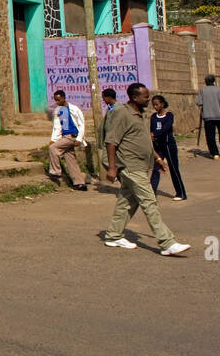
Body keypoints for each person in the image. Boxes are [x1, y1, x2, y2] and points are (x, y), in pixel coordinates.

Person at [102, 83, 189, 256]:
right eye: (145, 97)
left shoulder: (141, 115)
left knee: (127, 202)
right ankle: (167, 242)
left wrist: (157, 158)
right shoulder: (122, 113)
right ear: (134, 97)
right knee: (149, 202)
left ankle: (113, 235)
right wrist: (112, 168)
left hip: (141, 166)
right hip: (130, 166)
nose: (148, 100)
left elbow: (144, 141)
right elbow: (111, 141)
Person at [48, 90, 89, 191]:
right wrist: (54, 139)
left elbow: (81, 124)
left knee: (53, 148)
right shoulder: (58, 111)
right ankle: (79, 183)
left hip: (72, 136)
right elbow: (57, 126)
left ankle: (55, 172)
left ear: (63, 98)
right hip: (65, 136)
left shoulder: (74, 109)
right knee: (70, 159)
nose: (57, 102)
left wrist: (79, 138)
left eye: (58, 100)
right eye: (55, 100)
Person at [149, 94, 187, 201]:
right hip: (158, 147)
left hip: (168, 145)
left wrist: (154, 134)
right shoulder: (153, 117)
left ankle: (181, 193)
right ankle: (152, 193)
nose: (155, 107)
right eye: (153, 105)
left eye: (157, 104)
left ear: (162, 104)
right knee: (156, 168)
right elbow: (151, 130)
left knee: (174, 169)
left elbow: (166, 128)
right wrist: (151, 136)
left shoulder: (169, 115)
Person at [195, 74, 220, 159]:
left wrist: (206, 103)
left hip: (208, 117)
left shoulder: (203, 90)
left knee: (210, 135)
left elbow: (198, 102)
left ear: (206, 81)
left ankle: (214, 153)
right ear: (214, 81)